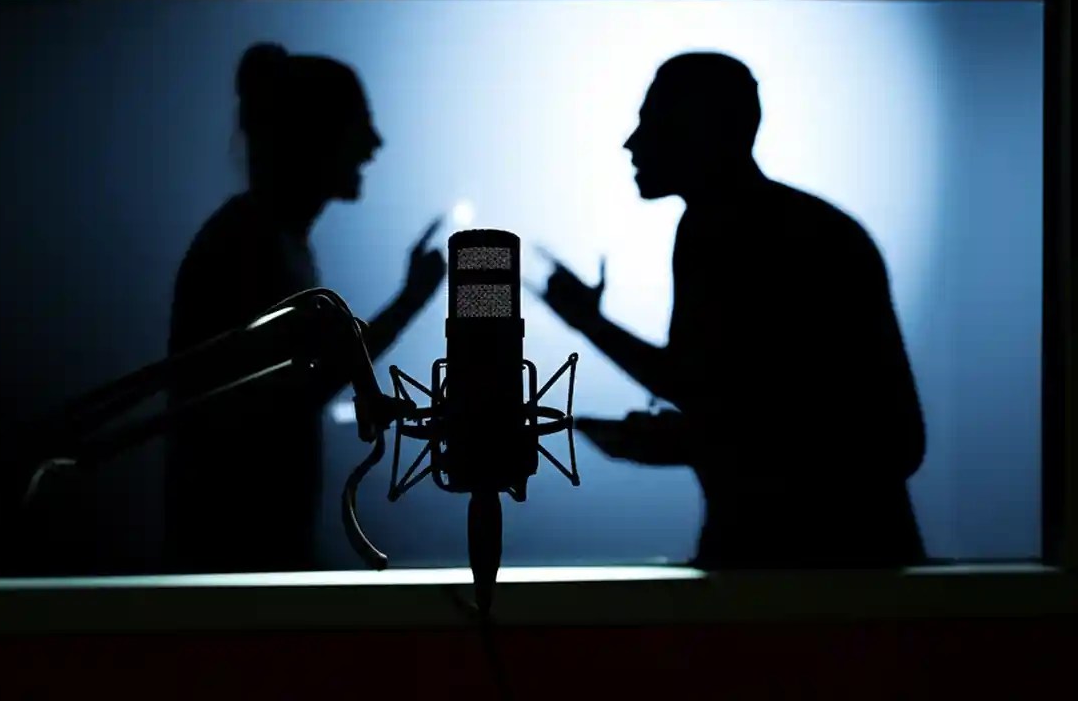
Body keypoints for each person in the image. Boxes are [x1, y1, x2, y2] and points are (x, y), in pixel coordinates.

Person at [540, 52, 927, 569]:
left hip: (806, 569)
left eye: (655, 122)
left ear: (702, 132)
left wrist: (688, 440)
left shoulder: (739, 234)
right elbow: (717, 392)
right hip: (831, 563)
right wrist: (590, 324)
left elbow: (886, 439)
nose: (632, 142)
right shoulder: (790, 228)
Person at [164, 43, 445, 573]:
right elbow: (295, 392)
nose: (374, 145)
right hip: (236, 556)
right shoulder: (247, 244)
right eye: (361, 126)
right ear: (316, 134)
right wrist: (410, 300)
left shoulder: (268, 239)